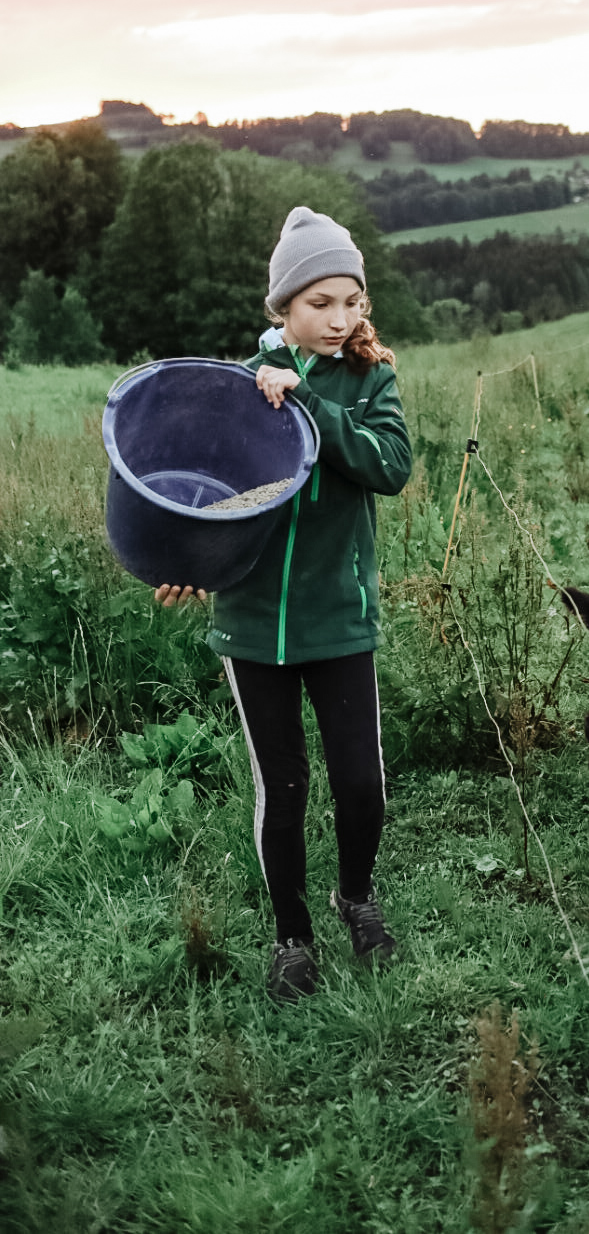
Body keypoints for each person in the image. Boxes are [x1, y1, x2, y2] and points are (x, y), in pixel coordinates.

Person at [156, 206, 411, 1002]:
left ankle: (356, 897)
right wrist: (191, 564)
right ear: (283, 309)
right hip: (255, 621)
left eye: (352, 302)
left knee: (360, 780)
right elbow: (217, 494)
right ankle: (292, 937)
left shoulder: (371, 379)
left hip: (340, 616)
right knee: (286, 786)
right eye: (320, 303)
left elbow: (391, 465)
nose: (340, 320)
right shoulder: (242, 383)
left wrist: (311, 402)